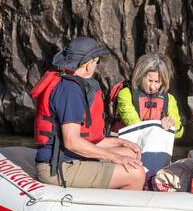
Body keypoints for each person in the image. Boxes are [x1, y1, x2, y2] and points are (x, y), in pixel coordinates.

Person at [30, 36, 146, 190]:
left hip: (68, 158)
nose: (96, 65)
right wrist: (115, 157)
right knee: (135, 173)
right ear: (87, 64)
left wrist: (119, 142)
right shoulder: (70, 91)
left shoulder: (69, 83)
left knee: (131, 153)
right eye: (96, 61)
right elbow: (73, 142)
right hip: (59, 168)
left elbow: (86, 138)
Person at [111, 54, 185, 139]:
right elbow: (133, 124)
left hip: (154, 146)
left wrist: (172, 124)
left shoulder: (169, 99)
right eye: (150, 81)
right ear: (140, 76)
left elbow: (178, 134)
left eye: (157, 82)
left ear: (163, 81)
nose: (152, 87)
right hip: (126, 145)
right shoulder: (125, 94)